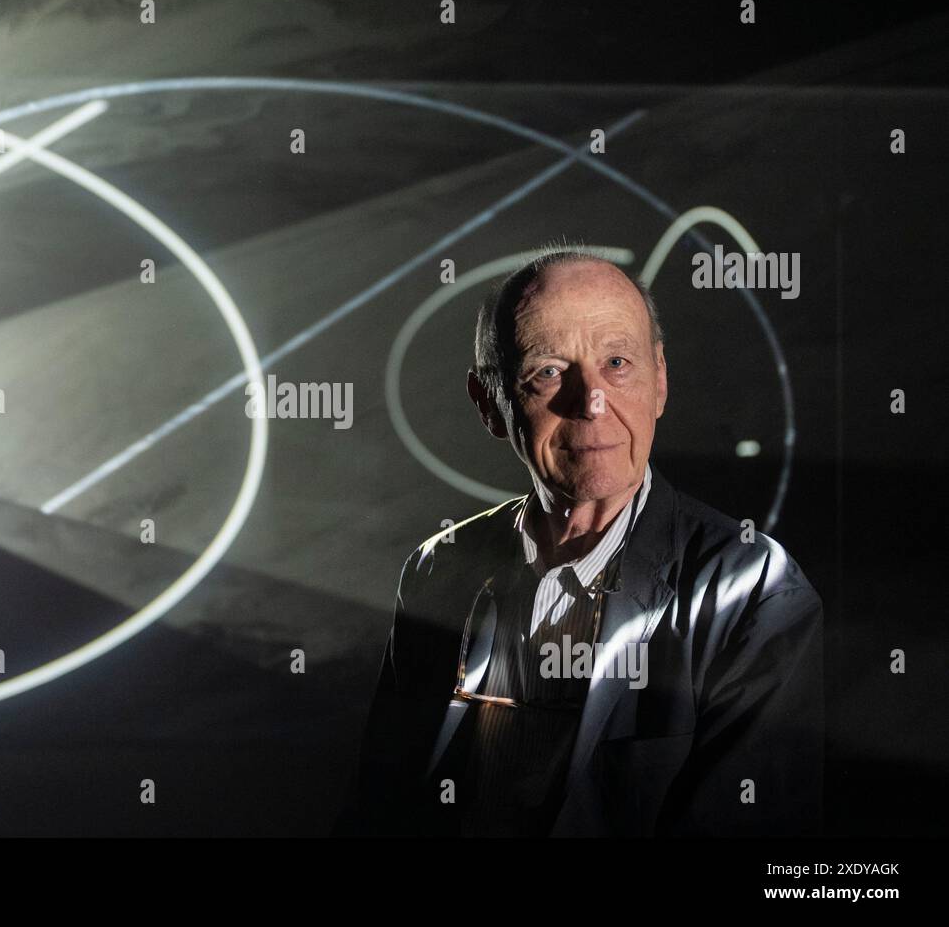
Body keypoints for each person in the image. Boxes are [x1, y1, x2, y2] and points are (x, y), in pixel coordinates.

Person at [338, 250, 823, 836]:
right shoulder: (438, 570)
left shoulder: (751, 593)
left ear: (660, 381)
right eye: (547, 372)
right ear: (489, 403)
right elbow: (379, 803)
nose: (591, 402)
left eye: (617, 363)